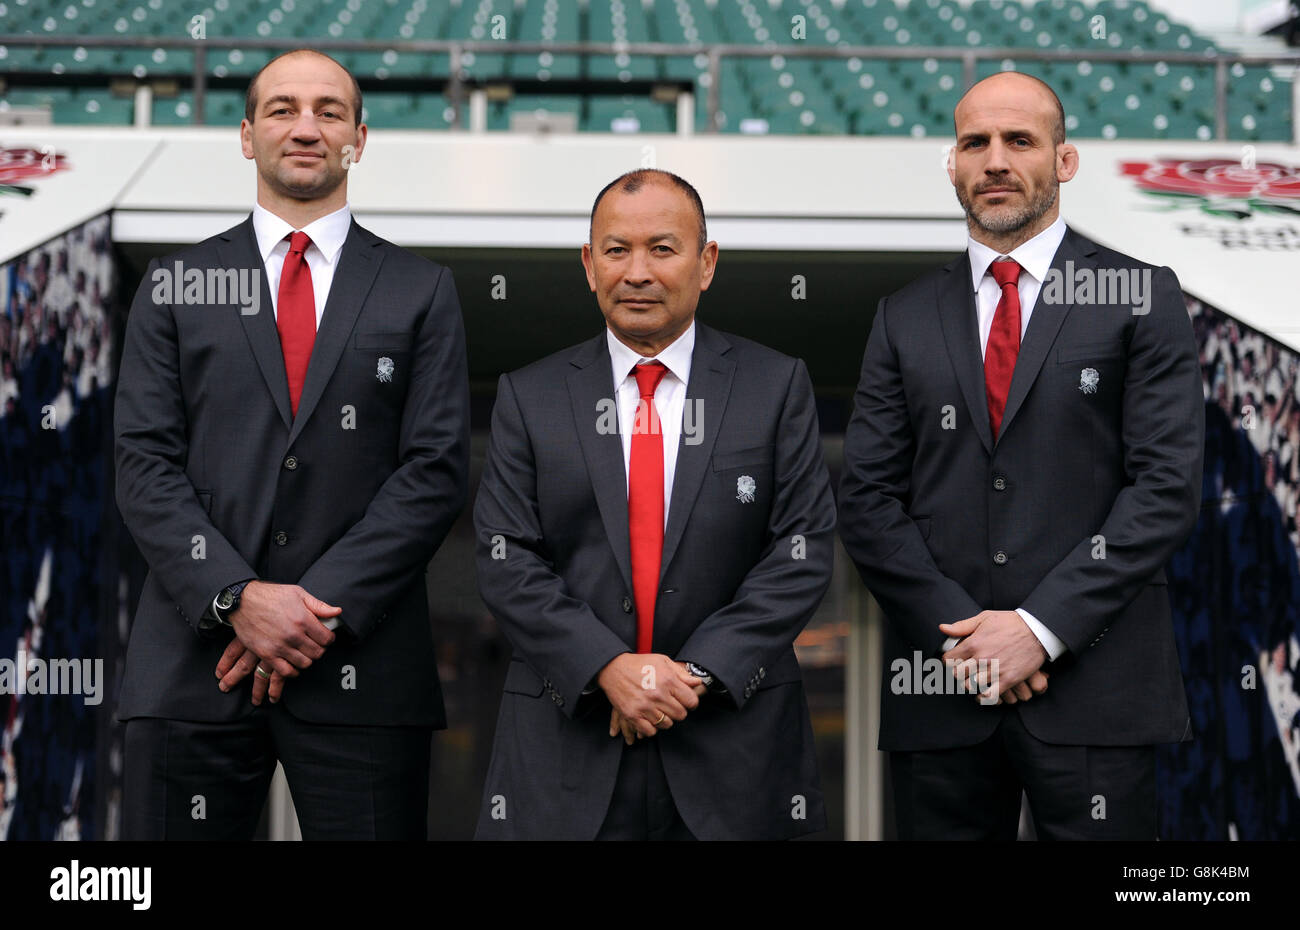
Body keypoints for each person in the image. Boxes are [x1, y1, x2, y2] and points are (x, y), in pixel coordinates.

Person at [113, 49, 469, 839]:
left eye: (328, 111)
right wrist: (237, 599)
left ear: (360, 138)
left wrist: (306, 617)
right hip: (190, 670)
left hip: (364, 672)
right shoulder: (174, 285)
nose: (305, 127)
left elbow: (434, 471)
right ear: (247, 135)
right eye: (281, 109)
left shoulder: (422, 291)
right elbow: (144, 467)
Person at [838, 72, 1204, 840]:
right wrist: (966, 639)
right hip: (942, 695)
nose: (995, 159)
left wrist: (1037, 629)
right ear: (953, 163)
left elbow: (1166, 488)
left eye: (1019, 141)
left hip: (1098, 694)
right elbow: (868, 502)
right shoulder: (901, 318)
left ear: (1064, 162)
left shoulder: (1141, 295)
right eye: (976, 142)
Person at [473, 169, 834, 840]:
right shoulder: (530, 396)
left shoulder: (775, 386)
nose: (637, 271)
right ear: (589, 264)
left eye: (663, 249)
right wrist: (606, 667)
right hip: (567, 749)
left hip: (732, 747)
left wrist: (691, 676)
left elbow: (801, 552)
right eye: (616, 250)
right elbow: (507, 560)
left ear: (707, 263)